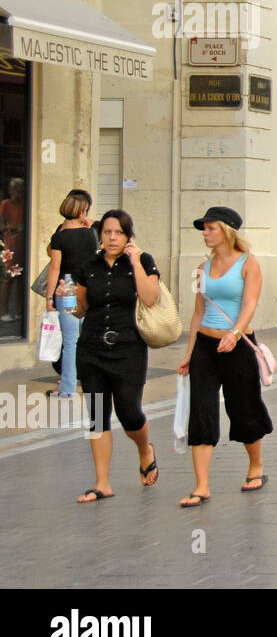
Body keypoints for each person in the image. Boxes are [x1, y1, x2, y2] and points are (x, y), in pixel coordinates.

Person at [179, 206, 274, 506]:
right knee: (202, 410)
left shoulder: (249, 263)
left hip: (238, 345)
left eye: (210, 228)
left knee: (243, 406)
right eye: (204, 229)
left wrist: (234, 334)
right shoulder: (200, 268)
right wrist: (189, 352)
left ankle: (255, 465)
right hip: (206, 346)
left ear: (227, 230)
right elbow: (197, 314)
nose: (205, 233)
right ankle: (201, 485)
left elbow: (249, 305)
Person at [70, 209, 162, 503]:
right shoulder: (89, 266)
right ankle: (102, 483)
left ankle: (145, 448)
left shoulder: (143, 261)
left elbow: (150, 298)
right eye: (107, 232)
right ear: (100, 235)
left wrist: (135, 261)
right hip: (92, 350)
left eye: (118, 233)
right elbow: (80, 310)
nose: (112, 238)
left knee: (130, 413)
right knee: (98, 417)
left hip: (128, 350)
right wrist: (67, 296)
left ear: (128, 237)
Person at [44, 190, 98, 399]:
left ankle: (66, 387)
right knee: (86, 338)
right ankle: (90, 381)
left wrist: (49, 298)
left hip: (66, 288)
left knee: (70, 341)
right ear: (82, 211)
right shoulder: (89, 234)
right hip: (86, 287)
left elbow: (54, 268)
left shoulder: (59, 237)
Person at [0, 177, 25, 321]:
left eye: (21, 192)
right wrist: (14, 229)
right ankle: (3, 312)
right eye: (17, 191)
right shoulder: (5, 204)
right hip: (9, 245)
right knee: (8, 277)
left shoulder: (24, 205)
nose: (19, 195)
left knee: (20, 279)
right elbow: (1, 225)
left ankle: (19, 311)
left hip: (21, 245)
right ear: (11, 191)